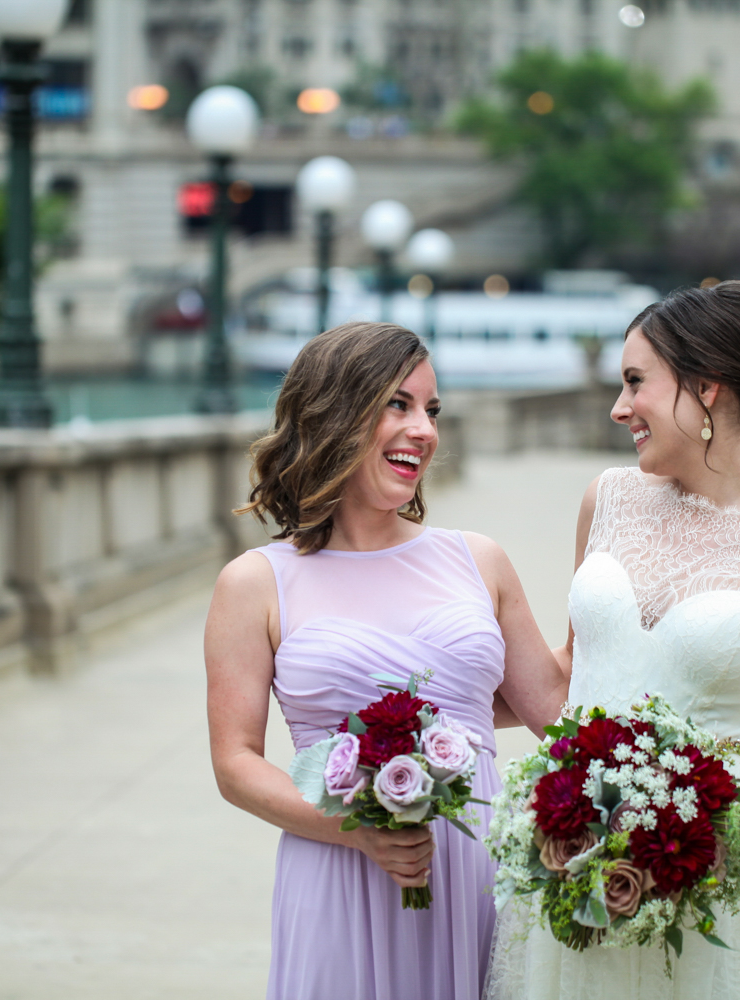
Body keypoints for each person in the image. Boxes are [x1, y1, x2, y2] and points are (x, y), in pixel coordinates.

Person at [486, 281, 740, 1000]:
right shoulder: (608, 500)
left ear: (706, 388)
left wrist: (699, 848)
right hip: (576, 861)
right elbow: (573, 679)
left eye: (636, 383)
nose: (619, 407)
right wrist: (439, 705)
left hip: (714, 887)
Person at [205, 322, 568, 1000]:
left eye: (432, 410)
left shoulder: (477, 561)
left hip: (476, 873)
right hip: (337, 876)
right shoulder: (256, 583)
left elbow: (557, 712)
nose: (424, 430)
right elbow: (235, 763)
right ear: (336, 413)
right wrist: (356, 832)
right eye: (398, 405)